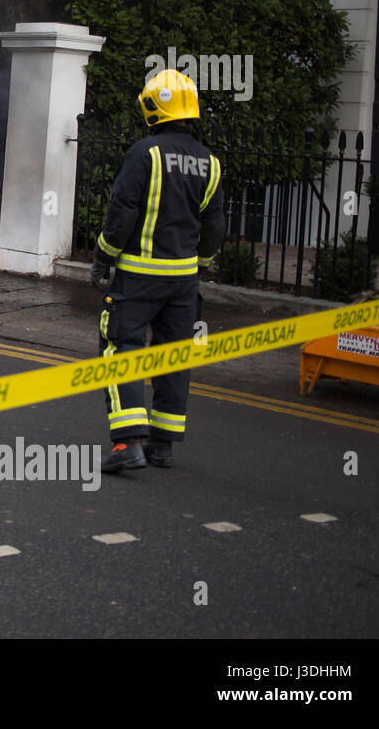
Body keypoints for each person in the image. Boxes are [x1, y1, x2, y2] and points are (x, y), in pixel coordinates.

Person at [89, 68, 225, 472]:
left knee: (120, 348)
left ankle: (128, 443)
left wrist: (102, 257)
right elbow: (214, 227)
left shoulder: (145, 153)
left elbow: (123, 212)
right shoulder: (211, 163)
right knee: (173, 356)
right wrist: (199, 264)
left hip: (138, 277)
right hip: (184, 282)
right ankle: (162, 445)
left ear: (152, 108)